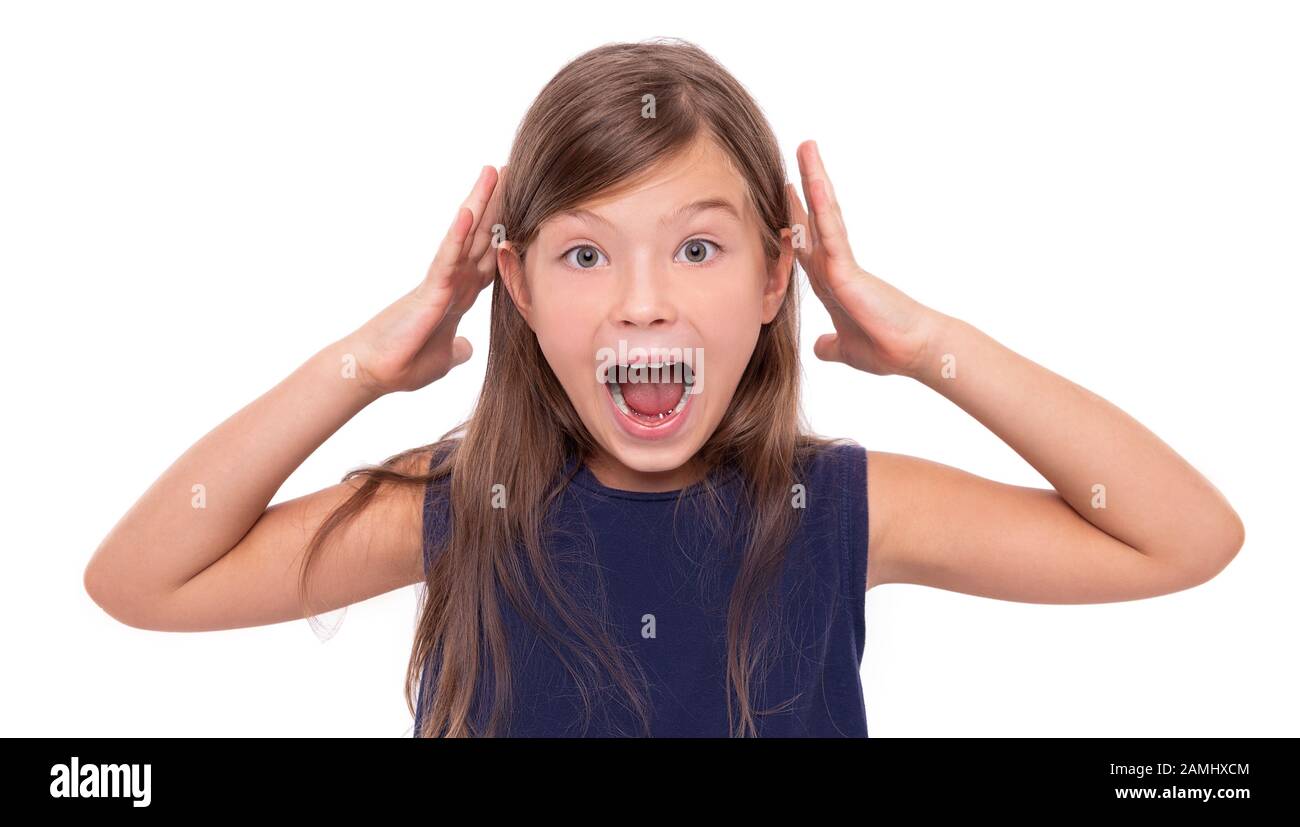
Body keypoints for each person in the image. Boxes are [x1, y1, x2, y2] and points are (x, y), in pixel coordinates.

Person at [84, 39, 1244, 737]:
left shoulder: (837, 507)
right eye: (586, 254)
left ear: (774, 278)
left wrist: (926, 338)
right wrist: (367, 361)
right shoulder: (455, 504)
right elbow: (140, 578)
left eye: (697, 247)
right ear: (519, 288)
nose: (643, 302)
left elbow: (1182, 537)